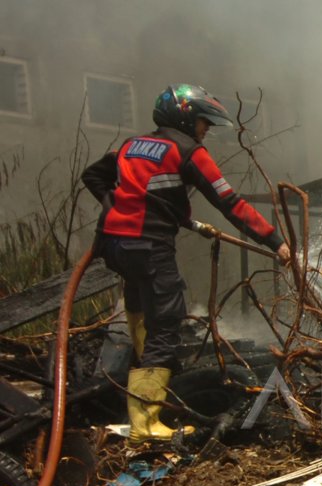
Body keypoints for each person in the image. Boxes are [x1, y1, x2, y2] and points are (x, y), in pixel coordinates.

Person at [82, 84, 291, 443]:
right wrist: (275, 241)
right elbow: (231, 203)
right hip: (149, 247)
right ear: (184, 118)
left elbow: (93, 176)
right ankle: (146, 424)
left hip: (115, 247)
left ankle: (149, 394)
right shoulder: (189, 151)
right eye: (202, 122)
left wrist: (114, 207)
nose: (205, 130)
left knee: (141, 308)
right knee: (166, 322)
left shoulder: (130, 146)